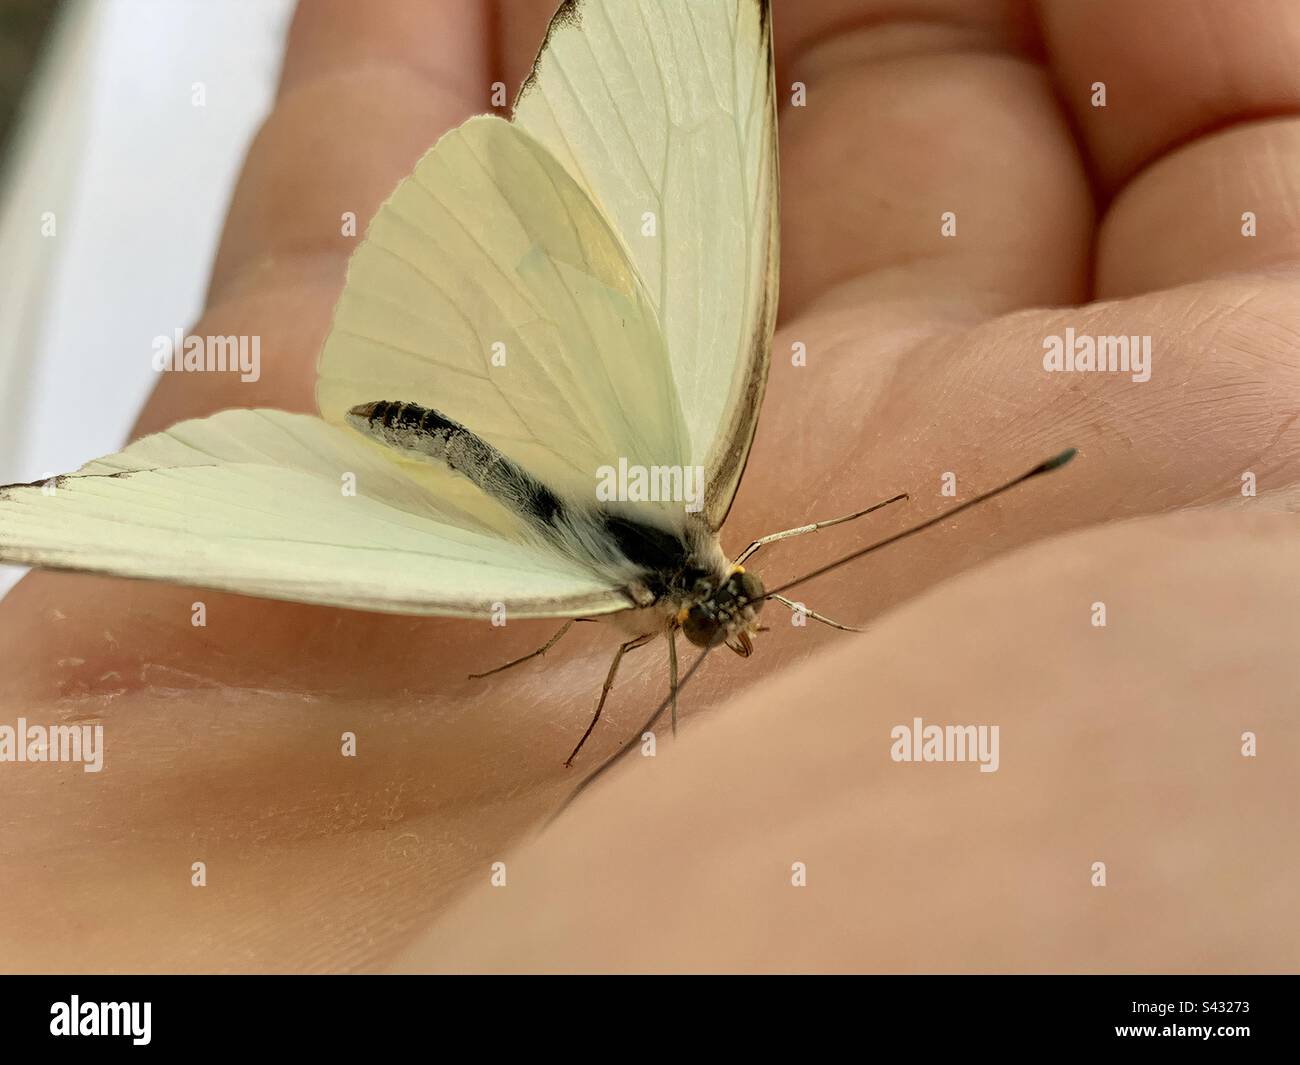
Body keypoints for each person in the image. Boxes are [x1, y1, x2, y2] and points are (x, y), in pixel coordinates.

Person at [1, 0, 1296, 972]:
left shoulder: (692, 524)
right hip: (491, 384)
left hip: (498, 364)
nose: (739, 615)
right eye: (735, 604)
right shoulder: (693, 531)